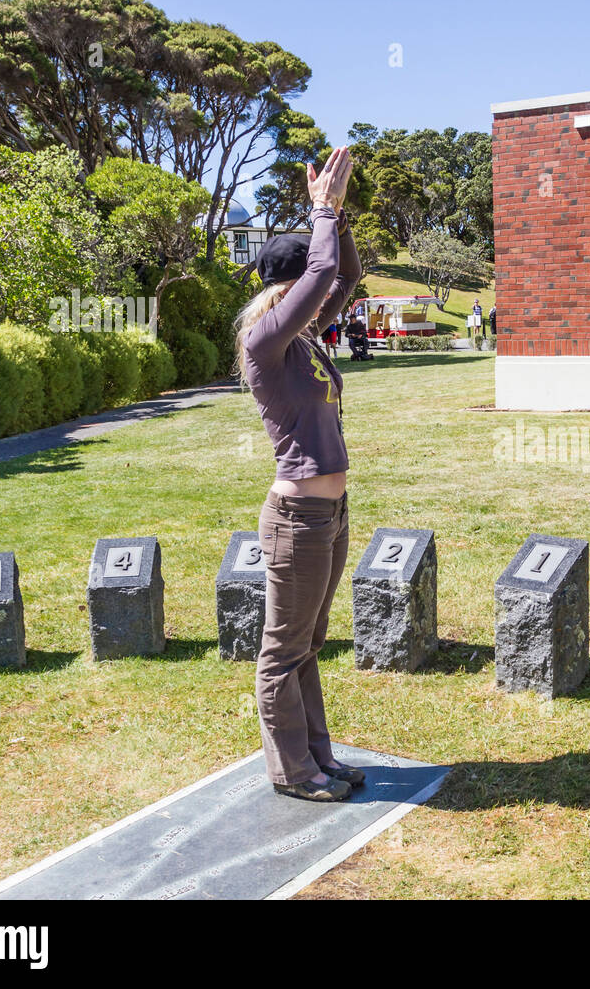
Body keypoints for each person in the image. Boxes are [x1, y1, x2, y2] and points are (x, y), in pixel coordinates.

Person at [233, 148, 364, 803]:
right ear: (280, 291)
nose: (315, 294)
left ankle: (319, 758)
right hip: (296, 521)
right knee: (283, 650)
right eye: (301, 288)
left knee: (309, 644)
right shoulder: (265, 343)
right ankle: (292, 772)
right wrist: (319, 210)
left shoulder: (305, 337)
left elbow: (344, 274)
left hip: (330, 516)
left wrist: (337, 217)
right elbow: (322, 272)